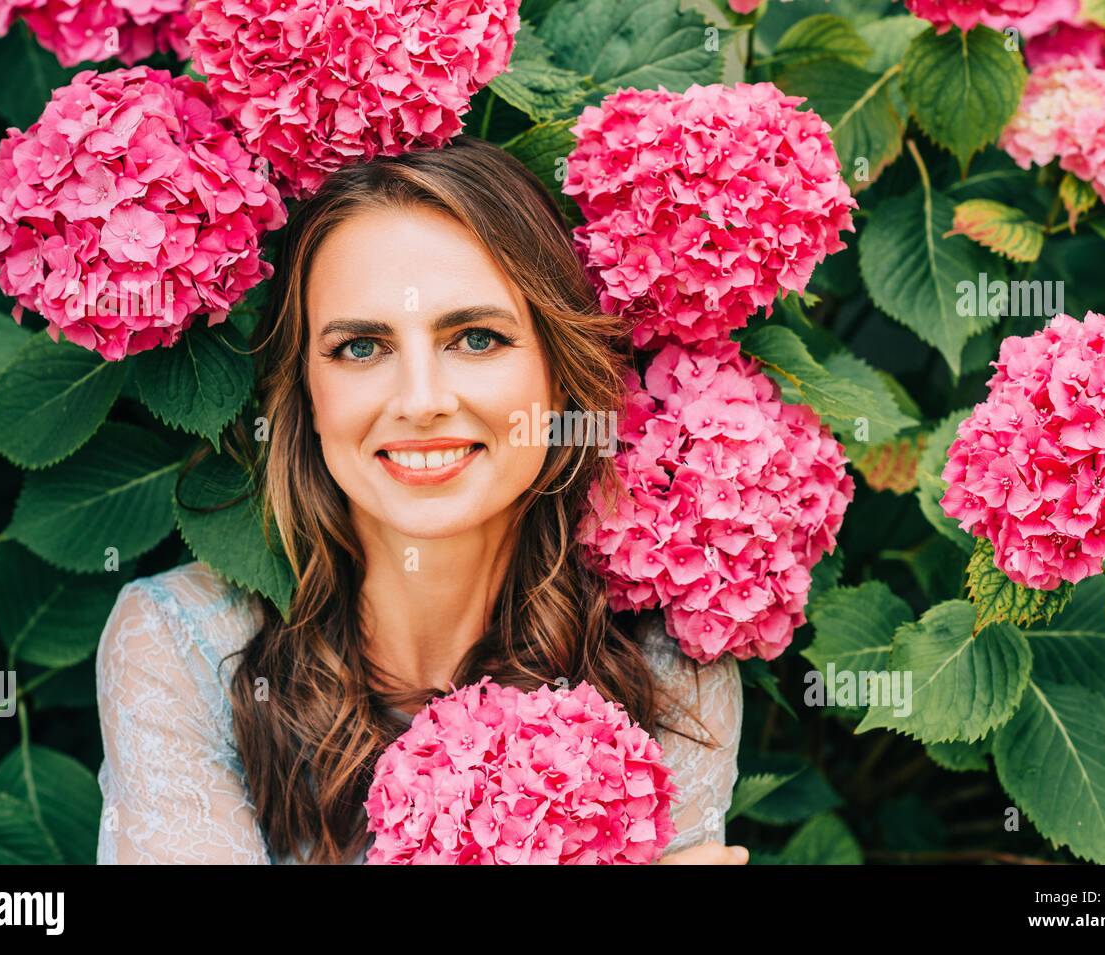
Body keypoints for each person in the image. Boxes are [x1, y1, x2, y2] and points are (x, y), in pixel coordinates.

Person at [94, 135, 747, 865]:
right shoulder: (185, 645)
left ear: (560, 377)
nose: (421, 401)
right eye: (361, 348)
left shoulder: (669, 674)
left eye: (474, 338)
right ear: (306, 395)